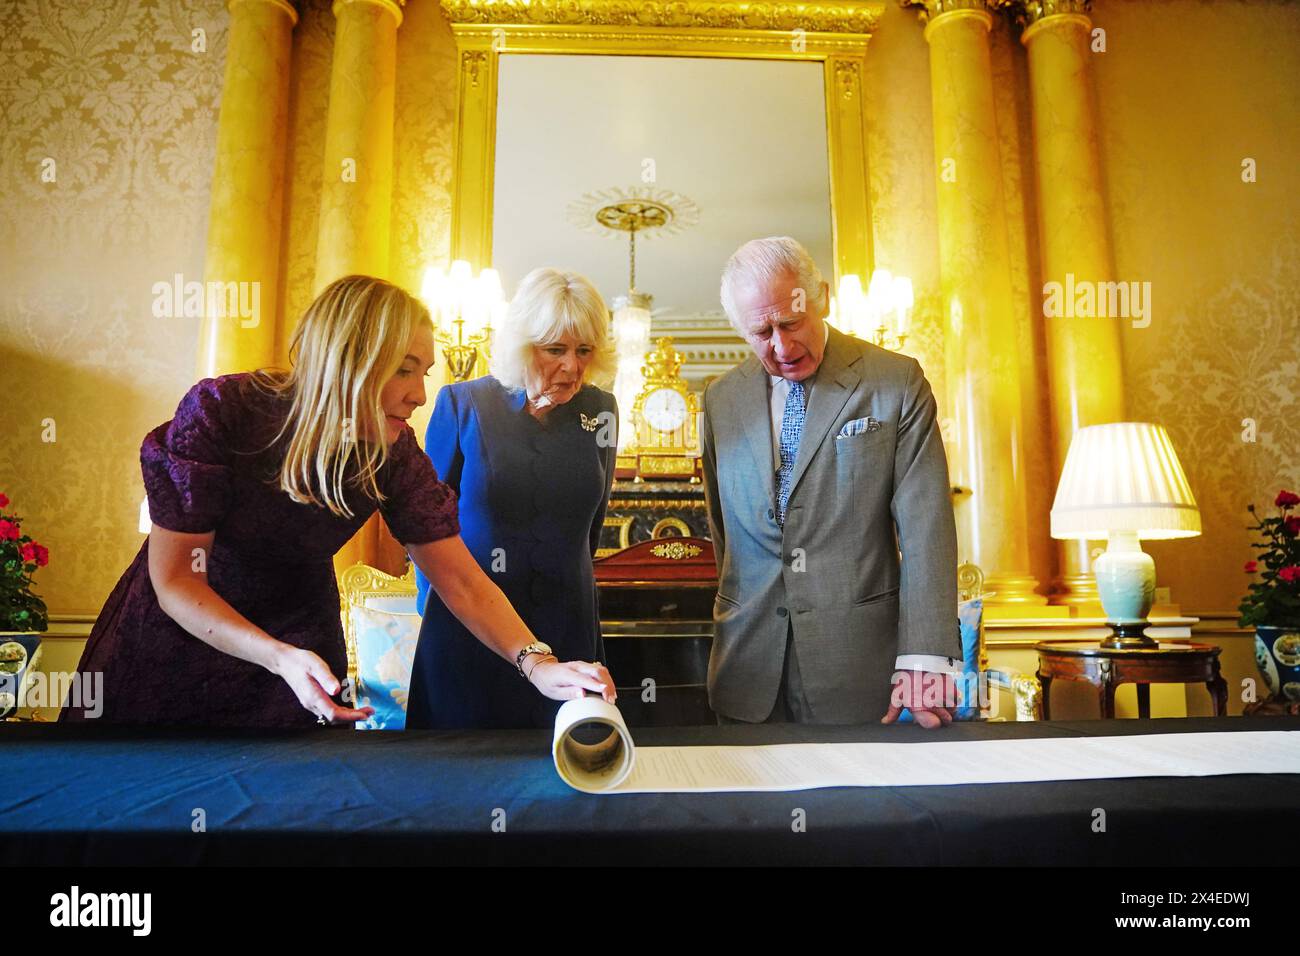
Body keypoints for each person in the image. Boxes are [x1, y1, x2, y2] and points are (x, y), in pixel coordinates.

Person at [61, 275, 614, 728]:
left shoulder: (394, 454)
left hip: (303, 649)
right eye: (403, 368)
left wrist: (536, 664)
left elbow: (462, 581)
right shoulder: (224, 412)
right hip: (182, 638)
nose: (420, 394)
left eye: (424, 372)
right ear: (349, 356)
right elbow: (178, 579)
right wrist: (276, 654)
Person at [701, 237, 962, 727]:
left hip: (859, 668)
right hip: (746, 669)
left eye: (791, 322)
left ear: (818, 296)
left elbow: (926, 530)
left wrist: (924, 659)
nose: (781, 345)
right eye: (761, 332)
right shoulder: (720, 400)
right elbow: (724, 533)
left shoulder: (895, 381)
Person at [410, 268, 619, 729]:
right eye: (555, 350)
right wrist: (439, 614)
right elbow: (424, 532)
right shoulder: (462, 404)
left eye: (584, 351)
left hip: (568, 624)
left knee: (565, 774)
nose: (572, 366)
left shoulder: (601, 409)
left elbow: (593, 523)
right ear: (524, 345)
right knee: (463, 773)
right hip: (468, 628)